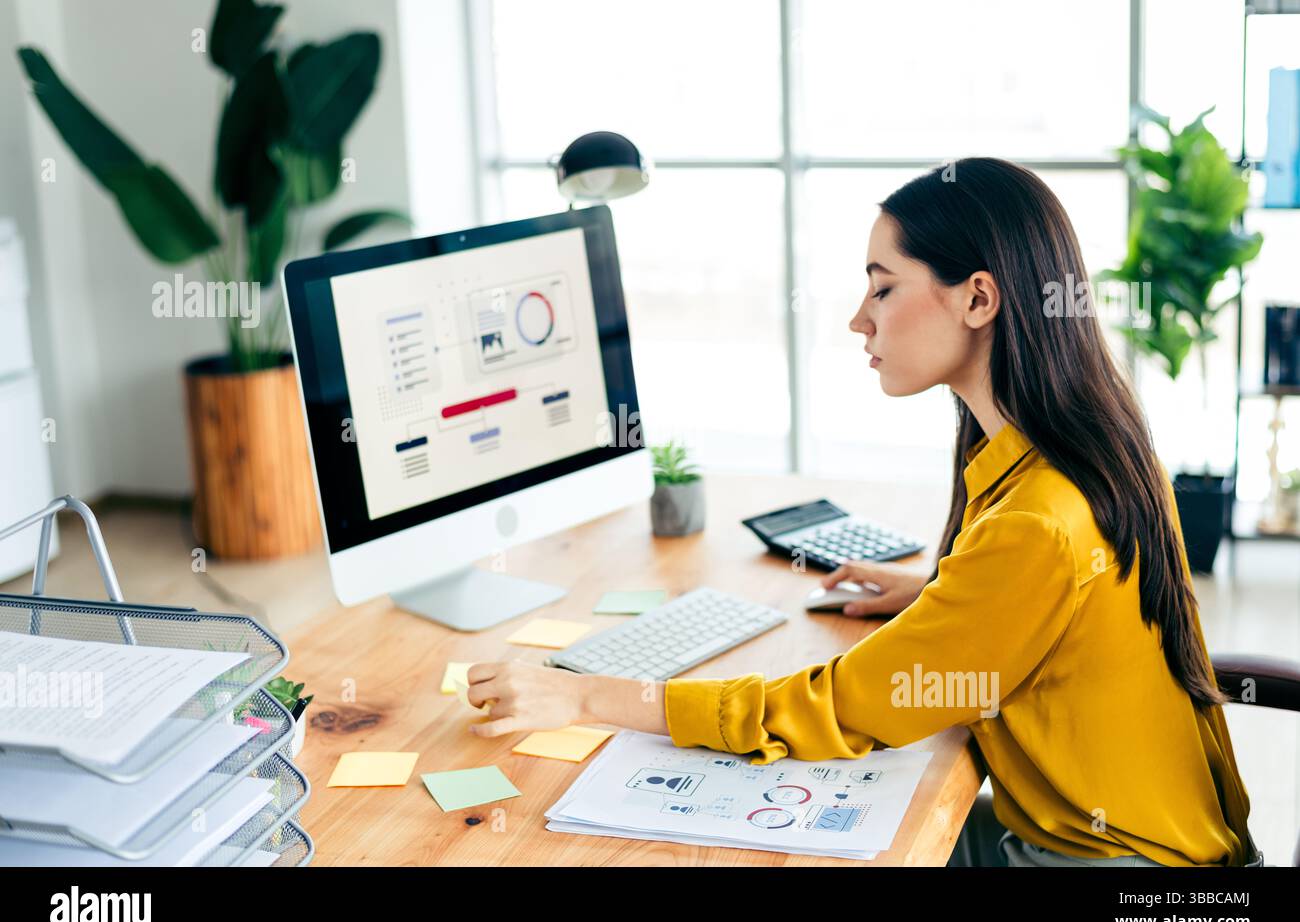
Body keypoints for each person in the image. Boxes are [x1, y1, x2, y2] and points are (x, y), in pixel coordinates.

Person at [462, 157, 1258, 867]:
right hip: (1141, 838)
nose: (859, 318)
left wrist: (584, 694)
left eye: (883, 286)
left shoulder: (1037, 523)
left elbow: (837, 709)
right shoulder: (1086, 450)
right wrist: (942, 598)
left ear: (979, 298)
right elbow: (1064, 613)